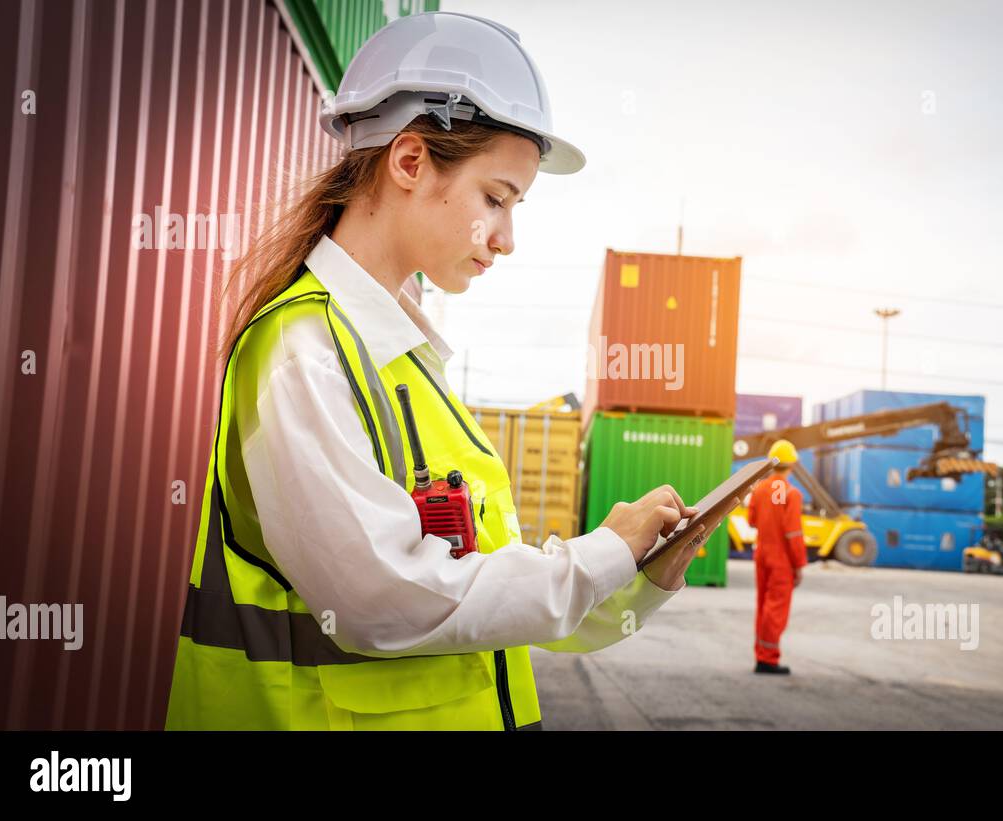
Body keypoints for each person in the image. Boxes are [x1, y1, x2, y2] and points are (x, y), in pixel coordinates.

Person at [165, 12, 701, 731]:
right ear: (411, 161)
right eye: (496, 199)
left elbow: (479, 605)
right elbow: (387, 605)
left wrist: (635, 579)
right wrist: (602, 553)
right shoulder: (302, 352)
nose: (506, 239)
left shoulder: (404, 358)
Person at [745, 440, 807, 674]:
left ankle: (761, 654)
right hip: (781, 559)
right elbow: (793, 532)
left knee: (763, 606)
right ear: (792, 464)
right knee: (776, 609)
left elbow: (752, 521)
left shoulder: (760, 489)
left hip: (762, 555)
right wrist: (799, 564)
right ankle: (768, 659)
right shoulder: (792, 493)